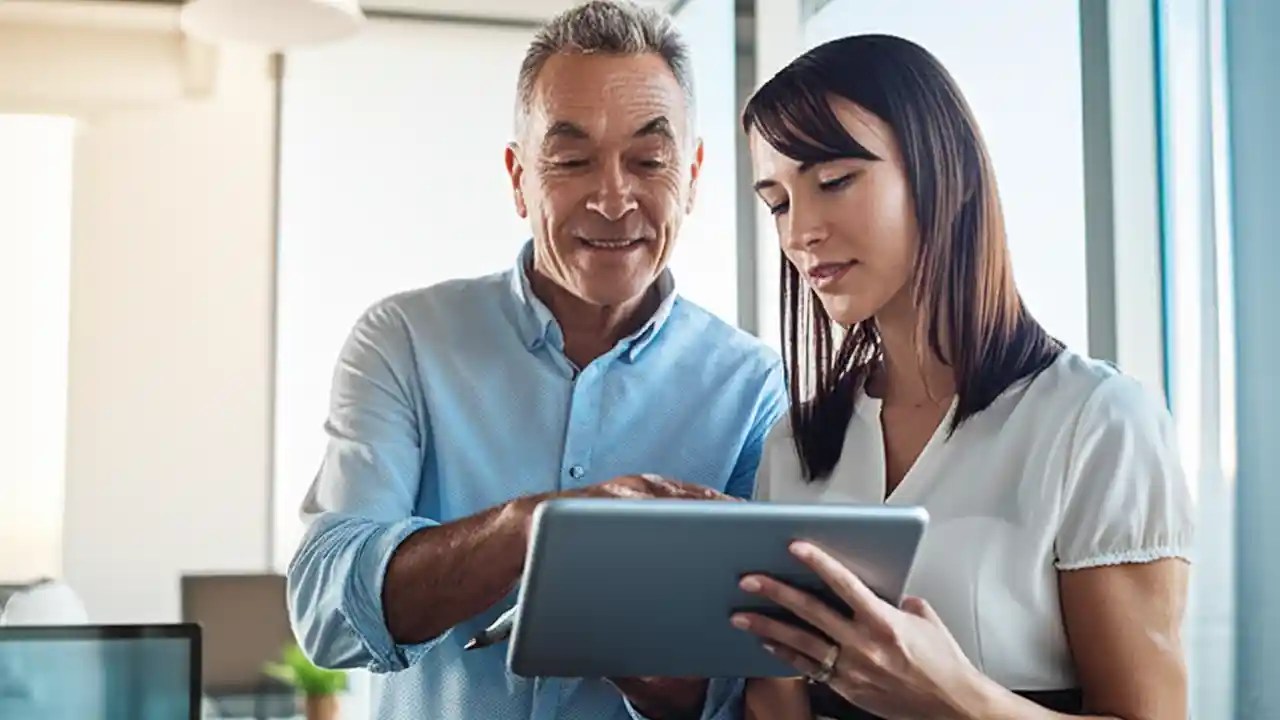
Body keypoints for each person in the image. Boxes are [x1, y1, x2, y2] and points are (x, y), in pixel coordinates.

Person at [286, 2, 785, 719]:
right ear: (519, 178)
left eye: (648, 161)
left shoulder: (753, 389)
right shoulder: (403, 340)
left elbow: (744, 688)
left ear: (693, 174)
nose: (614, 198)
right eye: (572, 160)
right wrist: (542, 529)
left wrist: (664, 669)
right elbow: (326, 609)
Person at [732, 35, 1194, 720]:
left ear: (944, 172)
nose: (801, 230)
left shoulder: (1096, 422)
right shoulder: (794, 444)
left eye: (833, 182)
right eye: (777, 202)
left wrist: (954, 697)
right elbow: (774, 700)